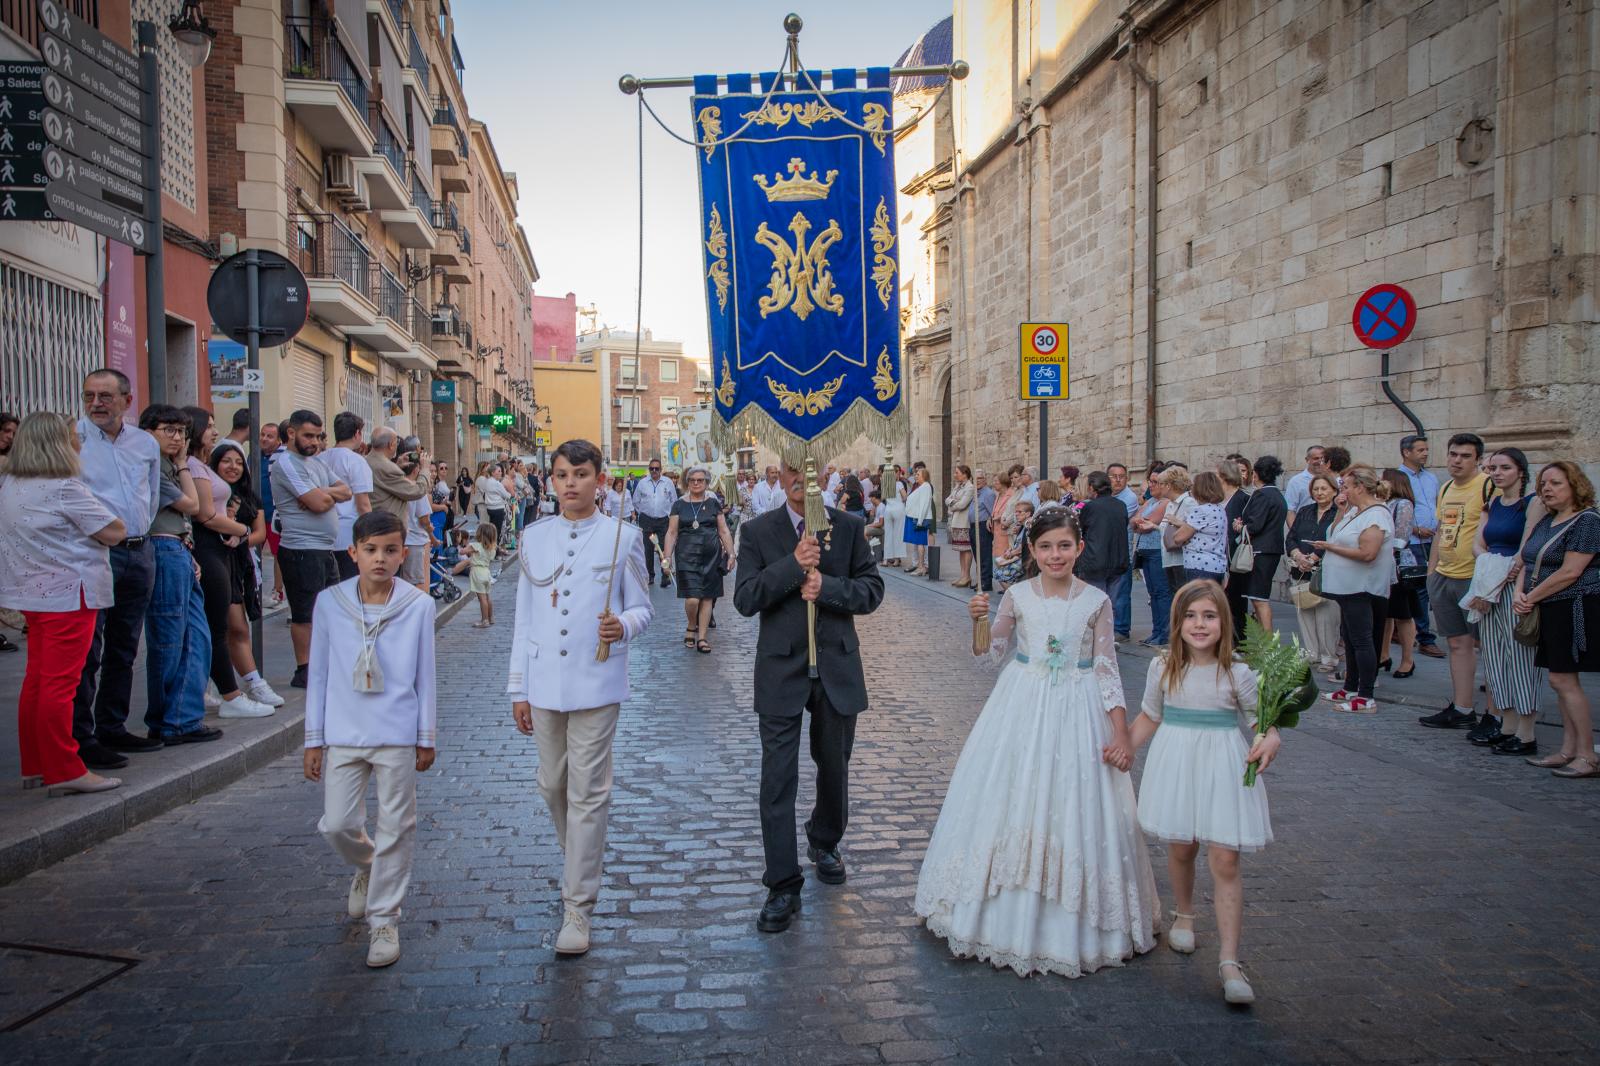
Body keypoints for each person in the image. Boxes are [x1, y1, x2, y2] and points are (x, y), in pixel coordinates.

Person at [916, 507, 1158, 977]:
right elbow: (990, 655)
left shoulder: (1096, 602)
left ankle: (1078, 918)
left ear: (1079, 548)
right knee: (1013, 795)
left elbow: (1107, 669)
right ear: (1032, 551)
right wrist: (978, 621)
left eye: (1064, 546)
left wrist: (1119, 730)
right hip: (1022, 703)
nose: (1055, 555)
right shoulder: (1017, 596)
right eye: (1045, 547)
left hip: (1080, 705)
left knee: (1075, 801)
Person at [508, 440, 652, 955]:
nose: (570, 483)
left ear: (601, 479)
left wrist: (623, 625)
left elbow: (643, 607)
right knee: (552, 786)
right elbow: (525, 617)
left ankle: (578, 906)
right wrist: (518, 687)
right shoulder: (533, 538)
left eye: (581, 474)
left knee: (588, 792)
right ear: (551, 480)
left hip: (597, 681)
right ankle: (580, 856)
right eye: (562, 474)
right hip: (545, 683)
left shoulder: (623, 537)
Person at [734, 461, 883, 934]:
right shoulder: (759, 530)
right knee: (777, 778)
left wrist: (830, 588)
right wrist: (792, 567)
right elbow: (744, 598)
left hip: (836, 667)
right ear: (779, 474)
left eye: (812, 471)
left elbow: (872, 590)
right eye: (794, 470)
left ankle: (824, 839)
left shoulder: (850, 527)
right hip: (781, 668)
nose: (803, 480)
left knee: (834, 766)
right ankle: (782, 884)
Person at [1127, 579, 1280, 1005]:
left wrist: (1270, 736)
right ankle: (1185, 913)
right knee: (1181, 847)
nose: (1199, 624)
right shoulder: (1163, 668)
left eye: (1209, 616)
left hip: (1223, 766)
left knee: (1225, 857)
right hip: (1176, 763)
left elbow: (1262, 721)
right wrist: (1120, 749)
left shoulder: (1239, 672)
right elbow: (1148, 718)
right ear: (1177, 623)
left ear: (1223, 622)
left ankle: (1230, 961)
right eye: (1191, 616)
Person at [302, 510, 437, 969]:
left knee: (397, 824)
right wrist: (313, 739)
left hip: (396, 729)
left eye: (391, 550)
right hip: (343, 727)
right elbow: (317, 673)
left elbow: (426, 675)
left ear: (404, 553)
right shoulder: (329, 603)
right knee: (337, 822)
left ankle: (385, 918)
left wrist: (425, 736)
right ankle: (367, 864)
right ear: (353, 552)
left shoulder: (417, 605)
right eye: (371, 550)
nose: (381, 559)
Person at [0, 412, 127, 795]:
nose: (79, 442)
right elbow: (115, 531)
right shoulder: (63, 487)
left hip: (32, 593)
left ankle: (36, 764)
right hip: (70, 593)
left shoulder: (11, 483)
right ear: (57, 442)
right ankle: (65, 768)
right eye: (74, 435)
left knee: (38, 681)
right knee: (60, 685)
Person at [71, 370, 163, 768]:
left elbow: (153, 493)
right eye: (90, 396)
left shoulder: (144, 443)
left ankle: (112, 725)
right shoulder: (71, 441)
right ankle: (81, 735)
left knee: (125, 646)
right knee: (88, 647)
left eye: (106, 396)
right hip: (94, 552)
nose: (97, 403)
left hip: (139, 551)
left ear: (127, 400)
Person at [183, 406, 273, 719]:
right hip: (208, 549)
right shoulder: (193, 465)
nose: (214, 429)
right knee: (217, 627)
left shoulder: (197, 466)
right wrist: (242, 529)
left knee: (216, 626)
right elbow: (206, 515)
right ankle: (231, 695)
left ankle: (212, 689)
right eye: (208, 425)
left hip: (220, 551)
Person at [139, 405, 222, 744]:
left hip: (179, 548)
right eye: (168, 431)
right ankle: (166, 719)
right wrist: (184, 462)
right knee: (170, 640)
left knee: (196, 638)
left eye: (181, 432)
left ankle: (182, 718)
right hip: (162, 546)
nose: (177, 439)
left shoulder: (172, 465)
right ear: (148, 432)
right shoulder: (152, 465)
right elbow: (194, 505)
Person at [1513, 462, 1600, 777]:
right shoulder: (1548, 521)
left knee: (1563, 679)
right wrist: (1519, 594)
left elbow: (1571, 571)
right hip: (1546, 606)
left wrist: (1531, 597)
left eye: (1556, 483)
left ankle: (1588, 755)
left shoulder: (1587, 521)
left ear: (1575, 485)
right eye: (1543, 483)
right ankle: (1568, 749)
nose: (1547, 488)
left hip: (1573, 606)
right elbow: (1527, 559)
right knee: (1559, 679)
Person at [1466, 449, 1543, 754]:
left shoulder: (1532, 502)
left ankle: (1526, 732)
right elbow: (1477, 542)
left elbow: (1527, 546)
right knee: (1495, 657)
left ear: (1520, 472)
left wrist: (1501, 572)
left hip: (1515, 582)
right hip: (1488, 582)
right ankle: (1507, 724)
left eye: (1504, 468)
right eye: (1493, 468)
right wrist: (1488, 570)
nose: (1497, 473)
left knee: (1520, 657)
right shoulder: (1494, 503)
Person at [270, 410, 352, 690]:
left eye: (318, 436)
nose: (314, 442)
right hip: (301, 549)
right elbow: (317, 504)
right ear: (291, 433)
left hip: (323, 550)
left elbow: (346, 491)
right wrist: (322, 496)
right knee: (305, 613)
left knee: (329, 611)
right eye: (308, 435)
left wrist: (321, 493)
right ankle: (304, 669)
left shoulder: (315, 463)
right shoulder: (286, 464)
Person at [1418, 433, 1493, 729]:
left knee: (1486, 643)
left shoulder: (1487, 486)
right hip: (1444, 574)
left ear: (1477, 459)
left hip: (1474, 576)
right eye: (1453, 454)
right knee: (1457, 643)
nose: (1457, 461)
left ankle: (1495, 713)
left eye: (1465, 456)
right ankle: (1462, 708)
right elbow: (1441, 529)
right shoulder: (1446, 487)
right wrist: (1431, 570)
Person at [1313, 466, 1395, 714]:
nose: (1343, 491)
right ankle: (1350, 687)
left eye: (1347, 486)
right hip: (1345, 587)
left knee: (1362, 639)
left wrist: (1331, 548)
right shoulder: (1355, 512)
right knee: (1349, 637)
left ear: (1360, 487)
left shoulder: (1377, 515)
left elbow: (1367, 553)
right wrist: (1340, 511)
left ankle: (1366, 695)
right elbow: (1335, 533)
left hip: (1361, 587)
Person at [210, 444, 282, 709]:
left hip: (240, 564)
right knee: (226, 627)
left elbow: (259, 534)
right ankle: (245, 685)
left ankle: (251, 684)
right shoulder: (210, 493)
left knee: (239, 627)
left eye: (238, 462)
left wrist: (239, 537)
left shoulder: (250, 496)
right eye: (226, 461)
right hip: (214, 563)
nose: (233, 467)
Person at [662, 466, 736, 653]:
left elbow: (723, 530)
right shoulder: (679, 504)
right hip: (686, 556)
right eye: (692, 480)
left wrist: (731, 553)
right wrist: (667, 556)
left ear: (706, 483)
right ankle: (691, 624)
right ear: (687, 482)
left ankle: (702, 637)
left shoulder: (713, 503)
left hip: (711, 556)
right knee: (693, 599)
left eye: (700, 480)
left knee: (707, 597)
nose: (696, 483)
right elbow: (671, 532)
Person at [1286, 474, 1342, 673]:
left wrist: (1313, 558)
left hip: (1326, 570)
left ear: (1334, 491)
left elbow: (1336, 539)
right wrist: (1298, 556)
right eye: (1316, 489)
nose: (1319, 493)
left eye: (1324, 488)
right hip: (1300, 569)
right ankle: (1312, 652)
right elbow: (1291, 537)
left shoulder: (1339, 513)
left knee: (1327, 616)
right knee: (1305, 612)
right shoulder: (1305, 511)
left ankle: (1329, 656)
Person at [1398, 434, 1444, 658]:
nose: (1425, 453)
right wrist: (1415, 529)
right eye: (1420, 450)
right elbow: (1396, 510)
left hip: (1433, 540)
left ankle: (1417, 632)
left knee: (1429, 586)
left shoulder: (1432, 478)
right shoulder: (1398, 478)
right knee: (1419, 590)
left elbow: (1435, 504)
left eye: (1426, 449)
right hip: (1413, 541)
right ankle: (1425, 637)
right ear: (1407, 453)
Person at [1232, 455, 1287, 633]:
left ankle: (1268, 643)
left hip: (1261, 550)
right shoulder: (1277, 494)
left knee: (1258, 598)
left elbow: (1255, 525)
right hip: (1270, 549)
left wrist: (1240, 526)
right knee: (1258, 597)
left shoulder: (1263, 494)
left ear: (1255, 474)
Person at [1378, 468, 1421, 682]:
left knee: (1403, 615)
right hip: (1382, 564)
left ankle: (1408, 659)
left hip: (1398, 565)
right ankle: (1383, 655)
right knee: (1385, 613)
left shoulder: (1403, 504)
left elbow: (1402, 536)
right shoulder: (1382, 504)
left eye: (1383, 479)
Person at [320, 413, 374, 581]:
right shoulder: (356, 461)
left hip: (323, 534)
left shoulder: (320, 459)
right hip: (348, 536)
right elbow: (363, 504)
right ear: (357, 433)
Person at [1076, 471, 1131, 614]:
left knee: (1095, 605)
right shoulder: (1120, 505)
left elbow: (1081, 530)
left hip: (1096, 561)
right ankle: (1107, 633)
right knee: (1110, 606)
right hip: (1117, 560)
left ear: (1091, 488)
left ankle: (1098, 635)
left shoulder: (1090, 507)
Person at [1130, 466, 1172, 648]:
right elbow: (1134, 521)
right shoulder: (1150, 501)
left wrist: (1140, 523)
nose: (1152, 485)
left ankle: (1164, 633)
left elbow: (1149, 522)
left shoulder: (1165, 502)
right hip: (1144, 550)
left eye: (1156, 482)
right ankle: (1156, 631)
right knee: (1153, 593)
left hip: (1157, 551)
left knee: (1161, 592)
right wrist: (1140, 523)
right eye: (1151, 481)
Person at [1172, 471, 1228, 584]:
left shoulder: (1200, 510)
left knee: (1198, 599)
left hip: (1199, 566)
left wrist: (1185, 536)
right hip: (1217, 565)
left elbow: (1178, 537)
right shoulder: (1220, 509)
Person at [632, 457, 678, 587]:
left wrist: (669, 515)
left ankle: (665, 575)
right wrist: (643, 512)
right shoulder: (642, 483)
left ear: (661, 469)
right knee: (647, 549)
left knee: (663, 550)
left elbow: (674, 501)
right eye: (651, 468)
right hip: (647, 520)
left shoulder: (667, 482)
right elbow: (636, 500)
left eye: (656, 468)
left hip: (663, 520)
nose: (654, 471)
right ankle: (649, 576)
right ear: (649, 469)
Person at [1107, 463, 1139, 636]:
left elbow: (1116, 519)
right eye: (1114, 476)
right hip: (1109, 550)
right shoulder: (1109, 496)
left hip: (1122, 549)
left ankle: (1121, 628)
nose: (1118, 480)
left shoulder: (1129, 497)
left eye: (1122, 476)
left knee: (1122, 590)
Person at [1157, 466, 1196, 596]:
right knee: (1176, 596)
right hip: (1169, 557)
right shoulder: (1170, 504)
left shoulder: (1189, 502)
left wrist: (1178, 522)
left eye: (1161, 483)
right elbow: (1167, 530)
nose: (1159, 487)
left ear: (1169, 485)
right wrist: (1152, 526)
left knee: (1184, 596)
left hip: (1181, 558)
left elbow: (1195, 528)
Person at [454, 523, 497, 628]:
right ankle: (491, 618)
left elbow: (462, 552)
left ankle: (484, 620)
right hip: (486, 572)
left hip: (477, 572)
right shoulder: (492, 548)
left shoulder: (476, 545)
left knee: (481, 598)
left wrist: (460, 543)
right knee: (487, 597)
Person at [945, 464, 976, 588]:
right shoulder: (957, 486)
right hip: (956, 521)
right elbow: (947, 499)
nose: (955, 475)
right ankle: (962, 575)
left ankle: (967, 576)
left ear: (965, 474)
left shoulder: (970, 487)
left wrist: (952, 504)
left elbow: (963, 504)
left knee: (966, 549)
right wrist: (953, 502)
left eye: (957, 472)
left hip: (964, 522)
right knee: (960, 550)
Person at [992, 500, 1034, 590]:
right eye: (1015, 511)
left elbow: (1025, 546)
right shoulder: (1022, 526)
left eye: (1019, 512)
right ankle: (1015, 594)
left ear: (1028, 514)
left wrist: (1012, 553)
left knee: (1000, 574)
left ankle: (1014, 597)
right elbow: (1017, 543)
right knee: (998, 568)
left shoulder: (1029, 526)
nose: (1016, 514)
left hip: (1024, 559)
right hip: (1018, 557)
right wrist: (1010, 551)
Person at [903, 467, 935, 576]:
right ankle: (919, 566)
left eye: (918, 474)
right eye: (916, 474)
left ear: (924, 476)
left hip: (919, 519)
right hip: (914, 517)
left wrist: (920, 521)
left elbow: (924, 505)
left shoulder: (926, 487)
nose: (915, 476)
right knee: (917, 543)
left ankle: (921, 567)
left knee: (920, 542)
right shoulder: (922, 487)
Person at [1283, 445, 1327, 514]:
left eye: (1322, 458)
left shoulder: (1332, 480)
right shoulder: (1296, 481)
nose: (1320, 461)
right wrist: (1294, 525)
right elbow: (1290, 510)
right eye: (1316, 458)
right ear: (1307, 460)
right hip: (1304, 523)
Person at [974, 470, 997, 593]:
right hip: (974, 526)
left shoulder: (988, 493)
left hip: (983, 526)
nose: (977, 481)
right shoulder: (976, 492)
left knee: (984, 555)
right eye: (975, 479)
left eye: (980, 478)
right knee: (977, 555)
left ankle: (986, 582)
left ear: (985, 480)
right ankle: (980, 580)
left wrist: (989, 519)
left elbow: (992, 511)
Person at [881, 468, 908, 567]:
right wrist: (901, 500)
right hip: (898, 509)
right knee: (898, 534)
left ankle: (885, 560)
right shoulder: (899, 484)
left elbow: (883, 498)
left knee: (888, 535)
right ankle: (896, 560)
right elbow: (905, 496)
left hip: (888, 510)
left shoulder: (885, 484)